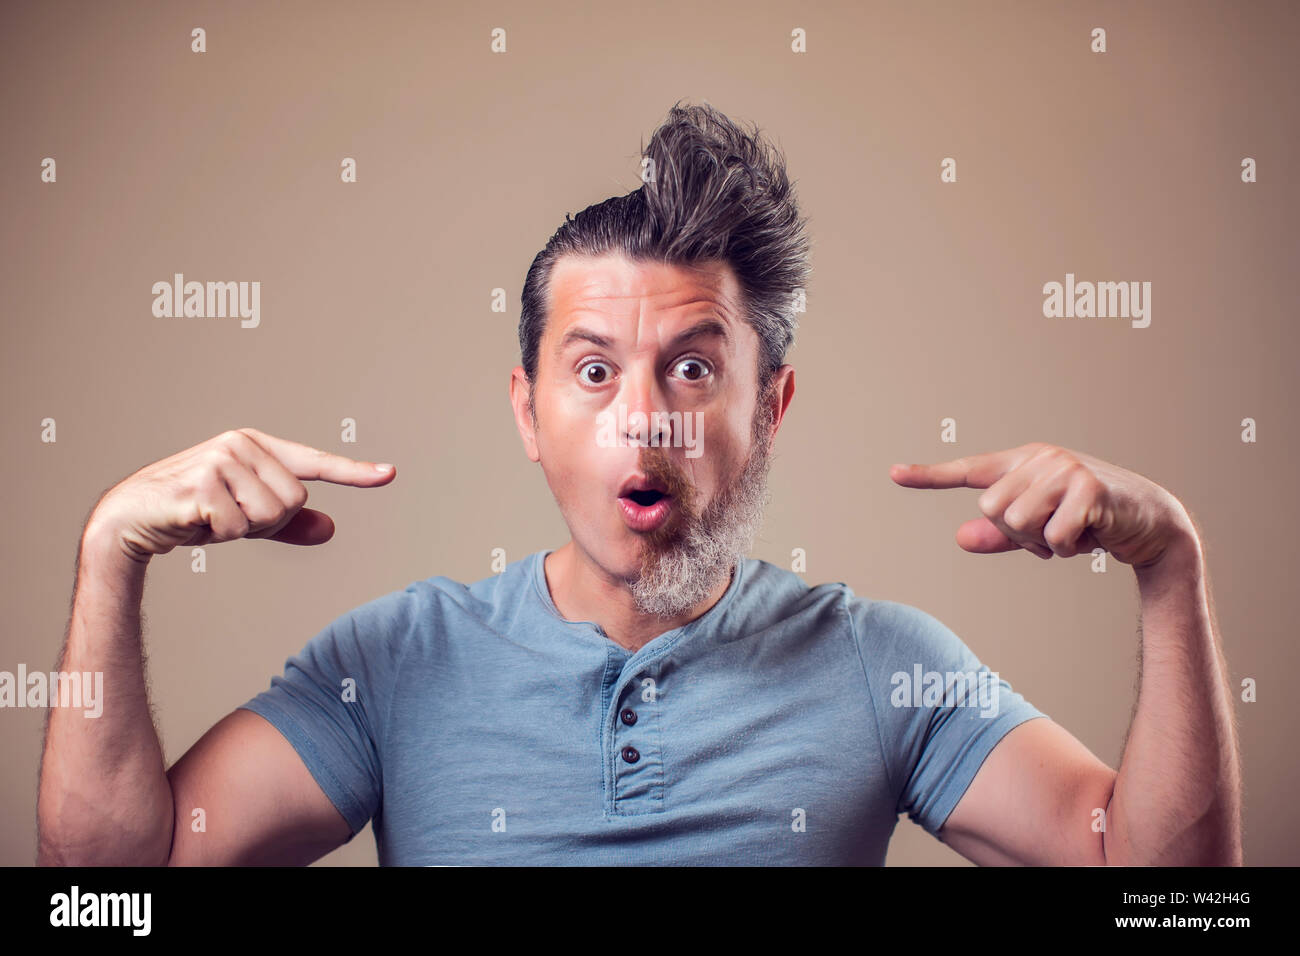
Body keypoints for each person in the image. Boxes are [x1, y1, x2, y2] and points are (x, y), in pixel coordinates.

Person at [36, 101, 1241, 866]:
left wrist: (1169, 564)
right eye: (595, 370)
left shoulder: (883, 665)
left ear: (768, 408)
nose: (646, 417)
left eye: (693, 366)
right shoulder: (394, 664)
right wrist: (110, 554)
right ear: (528, 412)